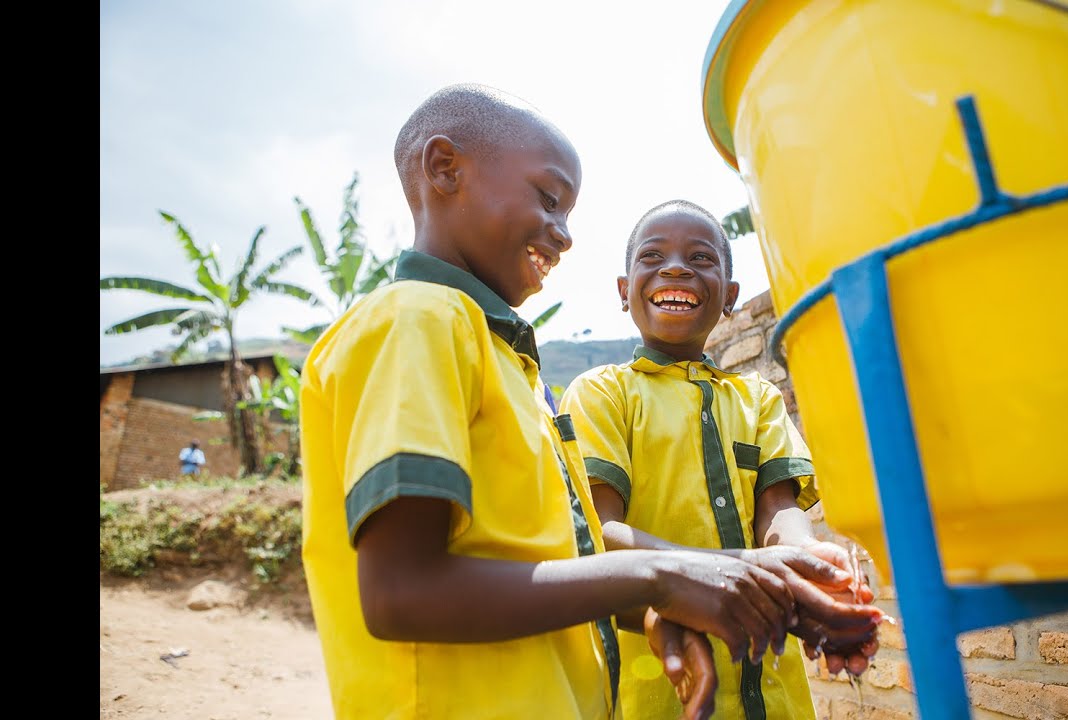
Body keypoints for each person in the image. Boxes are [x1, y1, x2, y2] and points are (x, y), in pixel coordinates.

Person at [298, 84, 857, 720]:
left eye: (567, 214)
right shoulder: (417, 320)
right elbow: (402, 592)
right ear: (445, 169)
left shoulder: (512, 370)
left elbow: (557, 563)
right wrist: (662, 578)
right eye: (548, 199)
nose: (563, 237)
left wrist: (656, 611)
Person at [559, 199, 884, 720]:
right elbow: (602, 533)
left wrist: (811, 566)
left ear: (730, 297)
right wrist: (749, 571)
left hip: (776, 695)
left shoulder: (758, 398)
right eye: (653, 256)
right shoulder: (601, 393)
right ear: (624, 291)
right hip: (656, 693)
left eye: (701, 258)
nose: (675, 268)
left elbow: (779, 511)